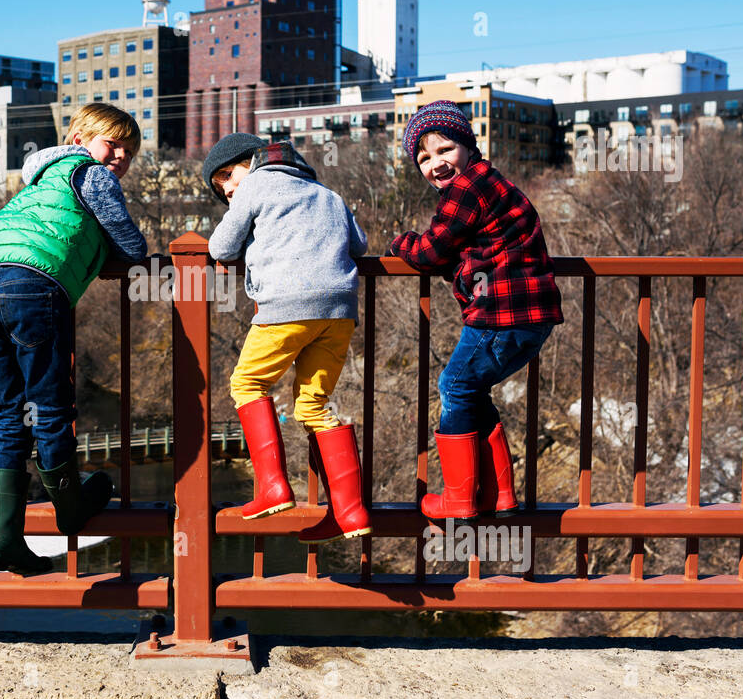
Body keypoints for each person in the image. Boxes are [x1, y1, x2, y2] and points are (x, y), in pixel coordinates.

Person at [0, 103, 147, 573]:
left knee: (12, 412)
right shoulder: (90, 174)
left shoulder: (37, 181)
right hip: (35, 288)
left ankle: (2, 539)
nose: (120, 158)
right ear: (78, 141)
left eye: (129, 152)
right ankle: (71, 509)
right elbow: (133, 247)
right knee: (50, 406)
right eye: (112, 143)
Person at [387, 100, 564, 523]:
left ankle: (459, 499)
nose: (436, 164)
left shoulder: (469, 186)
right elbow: (470, 249)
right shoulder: (487, 183)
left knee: (455, 385)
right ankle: (500, 496)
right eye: (424, 158)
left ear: (468, 146)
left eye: (445, 149)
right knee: (471, 389)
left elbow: (432, 249)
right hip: (528, 317)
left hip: (503, 314)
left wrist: (400, 245)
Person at [206, 134, 372, 544]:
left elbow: (221, 247)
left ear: (254, 161)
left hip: (287, 307)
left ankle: (273, 488)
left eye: (228, 174)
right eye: (220, 186)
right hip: (338, 311)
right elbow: (360, 244)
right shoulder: (326, 193)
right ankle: (350, 511)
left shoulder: (257, 184)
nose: (228, 187)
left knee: (247, 384)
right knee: (314, 405)